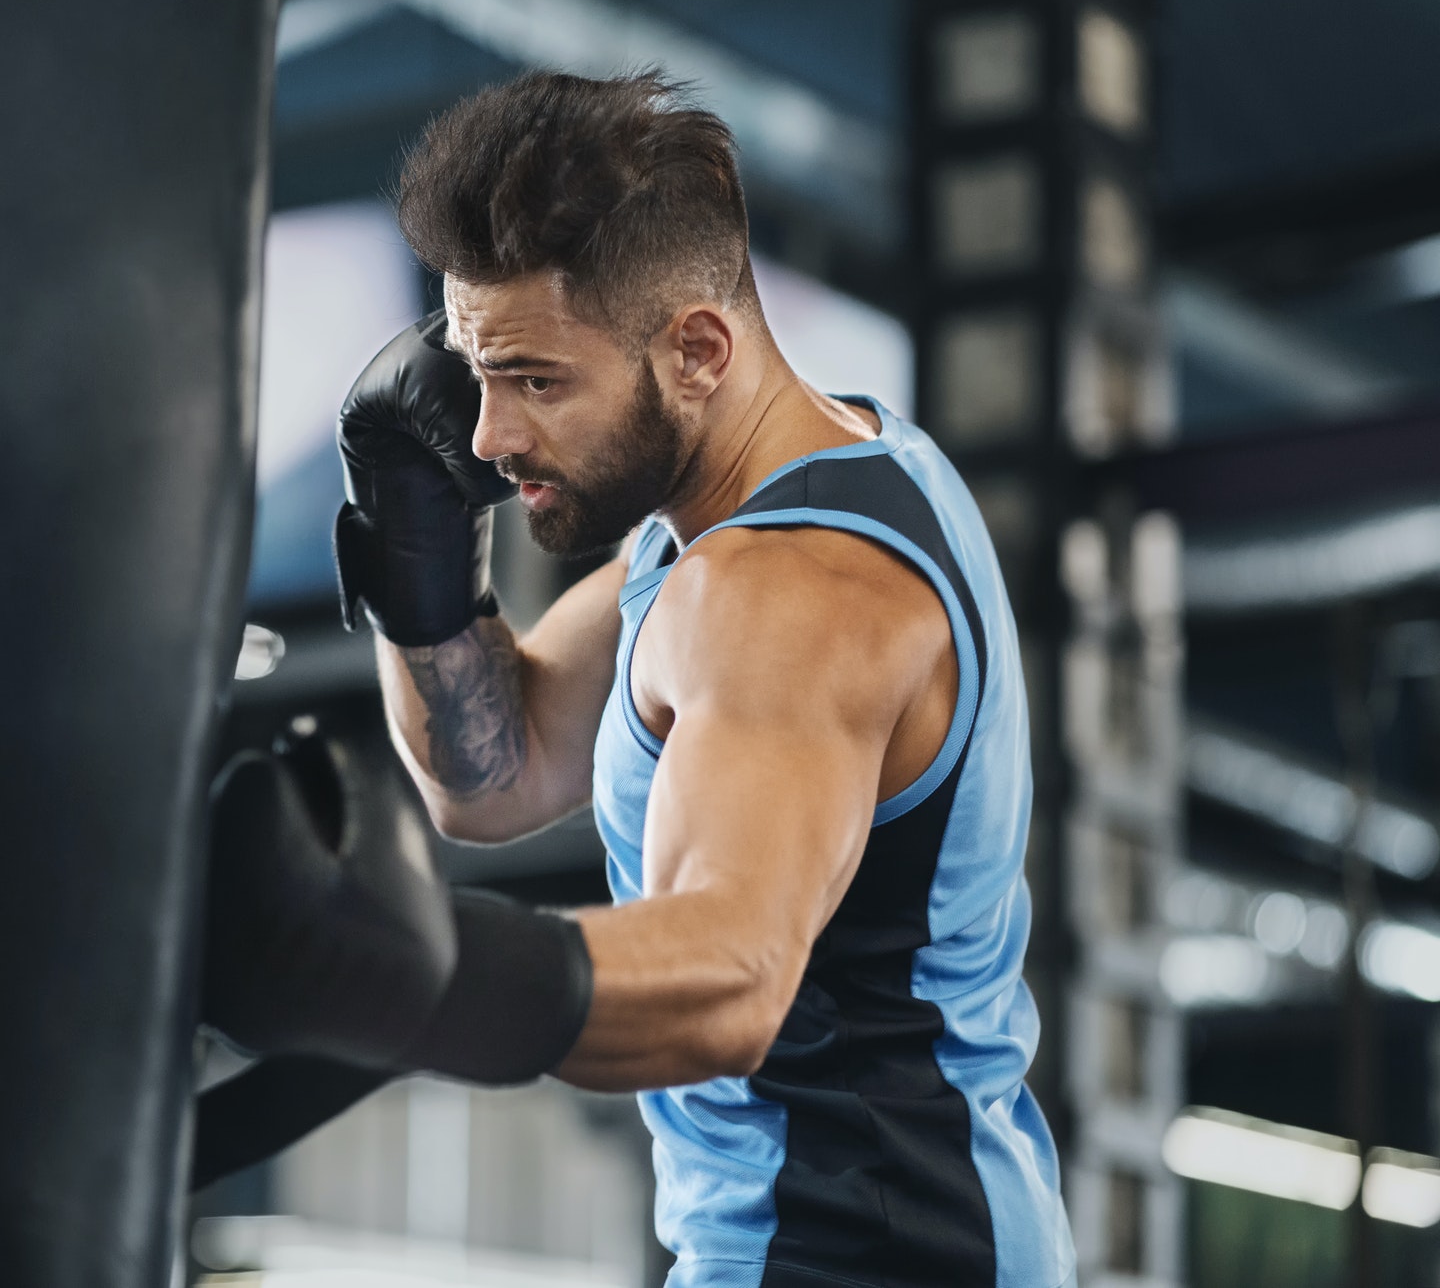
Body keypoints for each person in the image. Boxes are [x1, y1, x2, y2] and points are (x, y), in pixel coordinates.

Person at [200, 70, 1075, 1288]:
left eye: (535, 379)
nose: (489, 436)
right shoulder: (737, 517)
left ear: (697, 349)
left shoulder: (787, 596)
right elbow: (494, 778)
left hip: (868, 1252)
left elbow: (731, 985)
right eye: (475, 369)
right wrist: (417, 562)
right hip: (813, 1237)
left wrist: (422, 977)